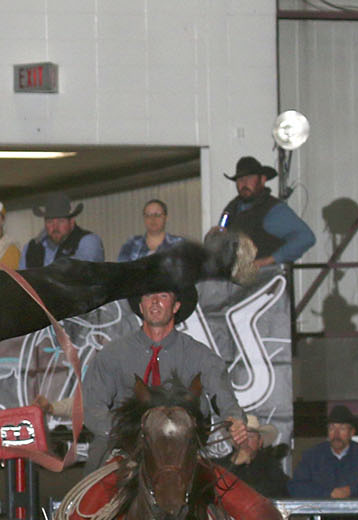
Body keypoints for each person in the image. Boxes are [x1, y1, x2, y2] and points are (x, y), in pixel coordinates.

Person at [69, 290, 252, 468]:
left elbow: (224, 399)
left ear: (176, 306)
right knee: (97, 474)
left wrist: (234, 421)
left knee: (217, 481)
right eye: (148, 295)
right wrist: (126, 430)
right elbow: (92, 407)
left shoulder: (201, 356)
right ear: (141, 307)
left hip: (182, 447)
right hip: (122, 445)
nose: (155, 301)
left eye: (163, 295)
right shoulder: (112, 355)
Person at [216, 156, 316, 274]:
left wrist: (268, 261)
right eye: (240, 179)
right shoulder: (232, 208)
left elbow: (305, 237)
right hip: (236, 279)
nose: (244, 183)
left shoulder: (273, 210)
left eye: (250, 178)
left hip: (267, 280)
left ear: (262, 180)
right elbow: (221, 234)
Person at [289, 404, 358, 501]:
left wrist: (351, 490)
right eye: (332, 428)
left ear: (352, 432)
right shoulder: (312, 455)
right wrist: (328, 493)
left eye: (342, 428)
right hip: (322, 514)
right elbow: (295, 487)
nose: (336, 434)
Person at [20, 193, 104, 268]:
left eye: (61, 221)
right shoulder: (31, 248)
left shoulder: (88, 241)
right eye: (50, 222)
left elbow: (85, 273)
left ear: (72, 222)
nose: (55, 227)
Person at [221, 413, 291, 497]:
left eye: (250, 436)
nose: (245, 441)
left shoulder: (271, 469)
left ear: (260, 441)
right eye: (240, 436)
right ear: (233, 441)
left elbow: (274, 493)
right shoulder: (219, 466)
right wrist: (232, 465)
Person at [117, 198, 184, 262]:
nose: (153, 219)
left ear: (165, 217)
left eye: (157, 215)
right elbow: (121, 269)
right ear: (144, 218)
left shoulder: (180, 244)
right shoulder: (130, 245)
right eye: (148, 215)